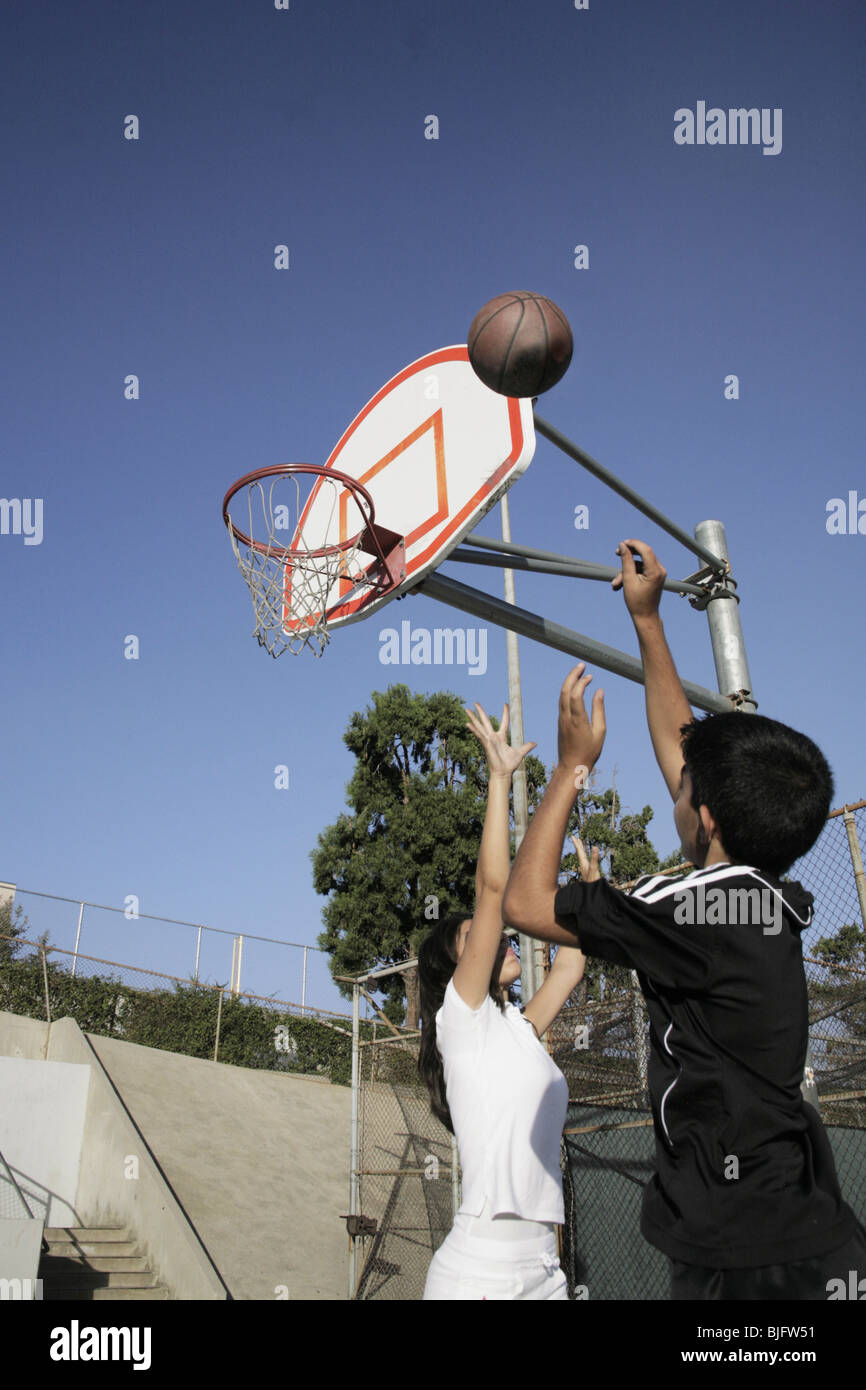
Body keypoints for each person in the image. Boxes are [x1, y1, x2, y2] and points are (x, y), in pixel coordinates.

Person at [502, 538, 866, 1300]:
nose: (675, 771)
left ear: (703, 818)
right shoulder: (763, 891)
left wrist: (570, 769)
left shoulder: (691, 910)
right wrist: (648, 620)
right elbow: (686, 756)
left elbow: (526, 903)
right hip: (805, 1223)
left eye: (685, 786)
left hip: (742, 1253)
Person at [418, 701, 592, 1300]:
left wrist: (590, 896)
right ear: (457, 967)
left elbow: (571, 961)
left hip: (544, 1270)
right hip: (480, 1274)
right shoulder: (460, 1019)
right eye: (474, 940)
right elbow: (494, 889)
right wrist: (499, 779)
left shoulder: (517, 1027)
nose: (494, 939)